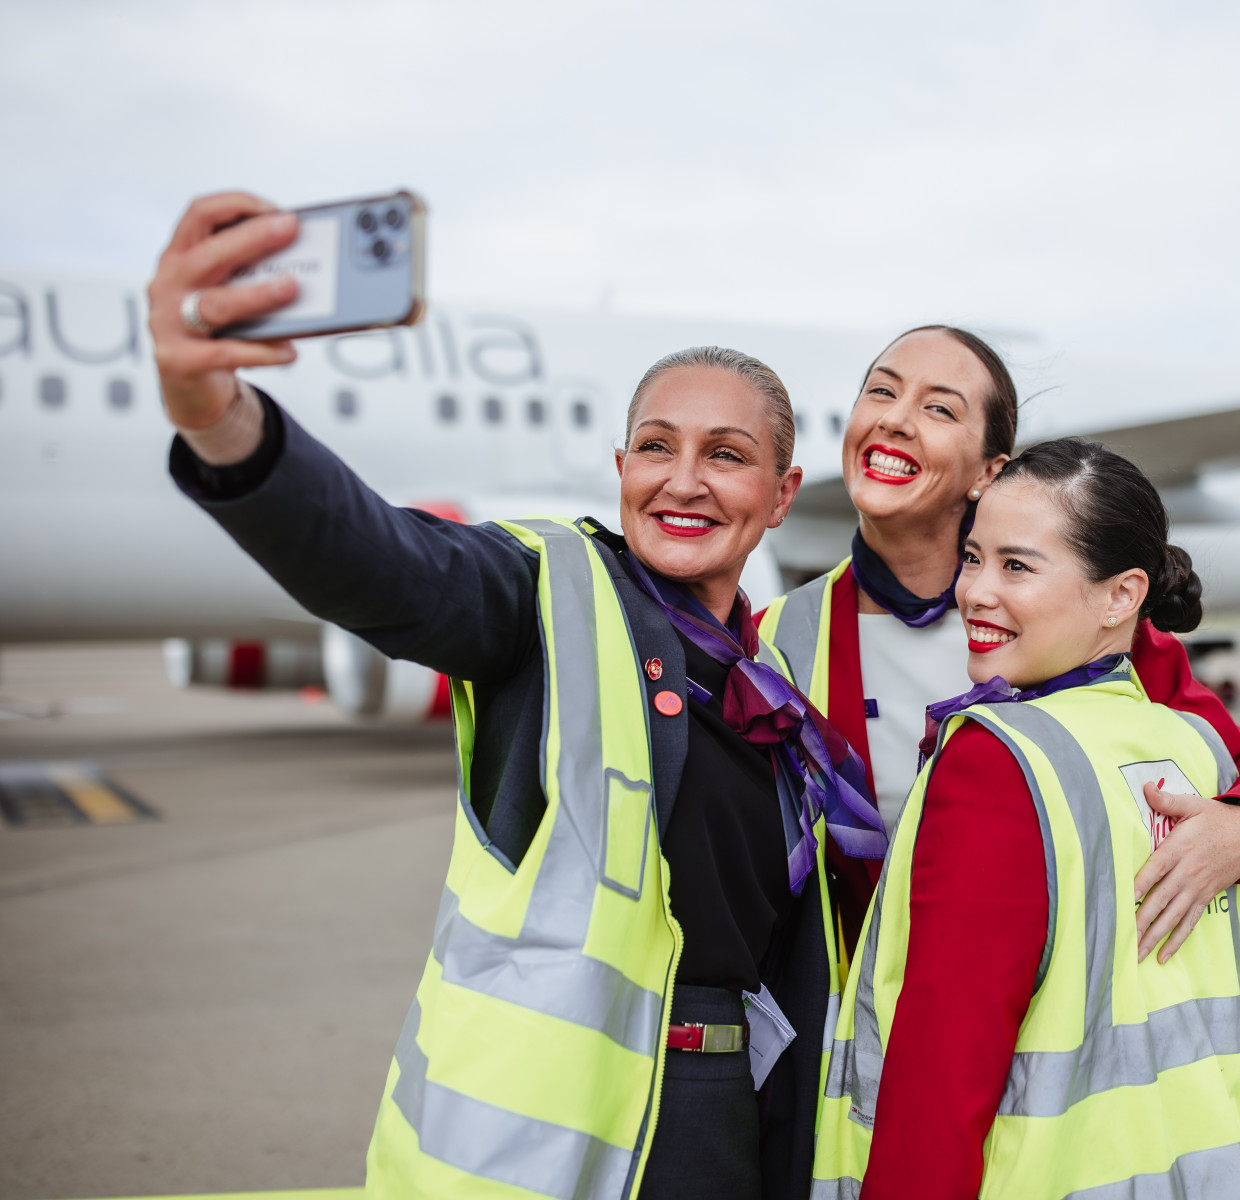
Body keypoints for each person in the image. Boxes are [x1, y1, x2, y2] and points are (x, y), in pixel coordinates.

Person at [146, 192, 886, 1200]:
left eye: (726, 455)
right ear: (621, 469)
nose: (684, 481)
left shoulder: (777, 687)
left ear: (781, 493)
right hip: (566, 1134)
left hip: (742, 1113)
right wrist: (221, 422)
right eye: (658, 448)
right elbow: (385, 561)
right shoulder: (548, 591)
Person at [812, 438, 1240, 1200]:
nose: (975, 592)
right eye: (973, 558)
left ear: (1121, 597)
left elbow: (945, 1070)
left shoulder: (997, 763)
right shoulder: (1193, 747)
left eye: (1016, 566)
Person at [757, 326, 1240, 977]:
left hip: (1057, 1012)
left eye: (939, 407)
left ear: (991, 472)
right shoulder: (776, 635)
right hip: (868, 1030)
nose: (896, 419)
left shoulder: (1072, 621)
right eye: (880, 392)